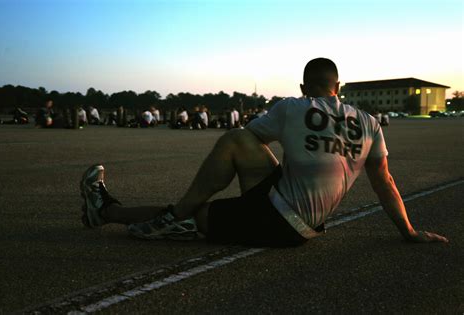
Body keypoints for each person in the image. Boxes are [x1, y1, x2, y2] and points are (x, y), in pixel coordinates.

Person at [79, 58, 448, 246]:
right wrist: (409, 231)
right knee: (237, 140)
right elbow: (384, 182)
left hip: (283, 225)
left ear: (305, 86)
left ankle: (112, 212)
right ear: (340, 86)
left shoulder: (293, 107)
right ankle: (180, 213)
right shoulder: (369, 122)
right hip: (297, 213)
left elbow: (249, 139)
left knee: (222, 162)